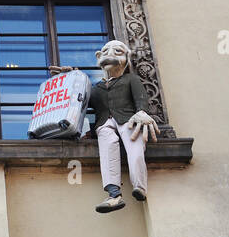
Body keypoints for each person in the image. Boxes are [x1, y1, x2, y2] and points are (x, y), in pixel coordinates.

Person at [52, 39, 158, 214]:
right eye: (106, 51)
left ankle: (140, 186)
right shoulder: (97, 88)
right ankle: (113, 194)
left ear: (126, 57)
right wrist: (71, 76)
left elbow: (140, 97)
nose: (110, 54)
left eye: (117, 51)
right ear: (99, 57)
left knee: (136, 151)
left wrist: (142, 112)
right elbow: (84, 100)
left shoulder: (130, 79)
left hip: (129, 119)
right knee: (107, 153)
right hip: (104, 123)